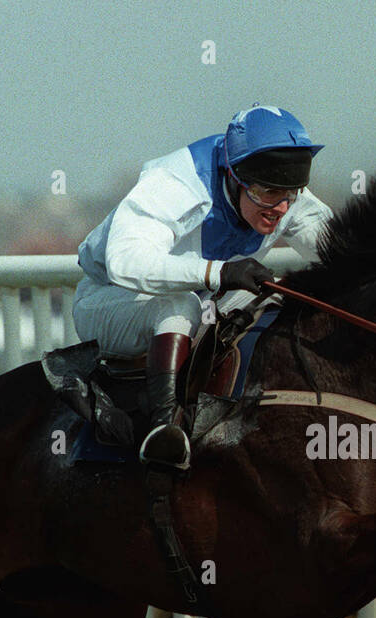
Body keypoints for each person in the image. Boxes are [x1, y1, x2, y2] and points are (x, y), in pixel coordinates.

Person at [73, 105, 333, 468]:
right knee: (178, 306)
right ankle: (165, 431)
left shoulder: (277, 190)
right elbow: (125, 261)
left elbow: (343, 252)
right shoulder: (174, 184)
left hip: (203, 300)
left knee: (275, 296)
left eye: (290, 193)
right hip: (111, 300)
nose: (280, 208)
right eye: (268, 193)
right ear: (233, 176)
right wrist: (219, 273)